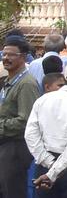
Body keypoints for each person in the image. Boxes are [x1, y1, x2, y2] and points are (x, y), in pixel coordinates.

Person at [1, 37, 39, 197]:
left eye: (11, 55)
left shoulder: (26, 84)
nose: (6, 58)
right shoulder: (10, 80)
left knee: (12, 191)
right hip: (6, 144)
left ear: (23, 57)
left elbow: (26, 121)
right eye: (4, 54)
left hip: (16, 147)